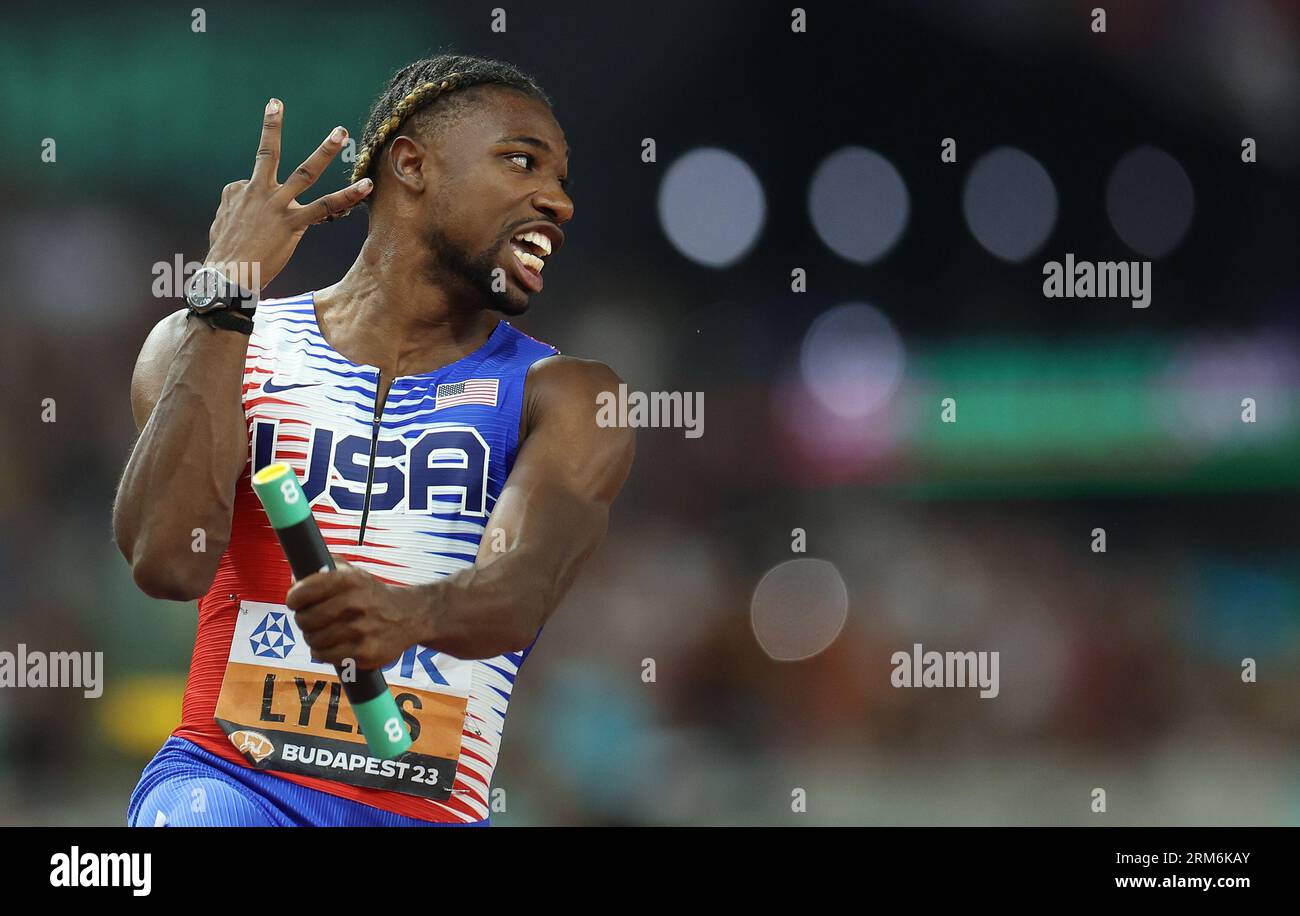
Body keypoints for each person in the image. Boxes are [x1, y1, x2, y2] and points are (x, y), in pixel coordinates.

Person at [112, 54, 635, 826]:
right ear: (413, 164)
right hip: (228, 784)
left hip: (425, 812)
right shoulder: (220, 346)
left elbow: (524, 591)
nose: (556, 201)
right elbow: (167, 561)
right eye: (522, 161)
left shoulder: (569, 397)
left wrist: (408, 616)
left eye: (561, 180)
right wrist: (225, 293)